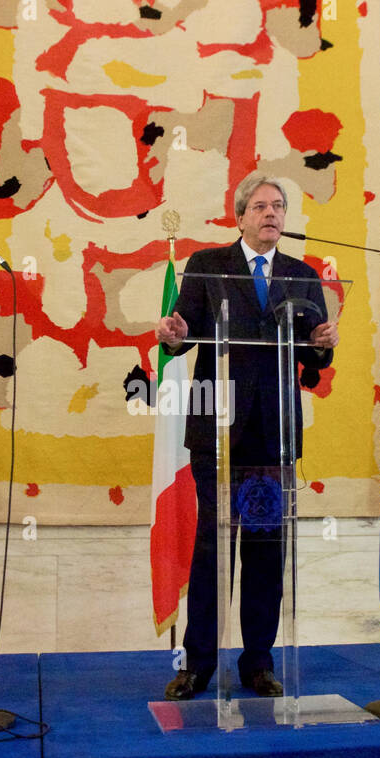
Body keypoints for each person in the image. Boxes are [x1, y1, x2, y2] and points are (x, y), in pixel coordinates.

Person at [155, 172, 339, 700]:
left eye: (278, 207)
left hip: (273, 434)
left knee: (265, 547)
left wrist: (323, 343)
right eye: (260, 206)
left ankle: (258, 662)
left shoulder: (303, 276)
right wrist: (172, 335)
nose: (271, 214)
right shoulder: (209, 266)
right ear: (239, 216)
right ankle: (199, 665)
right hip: (217, 430)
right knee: (214, 546)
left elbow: (312, 355)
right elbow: (182, 332)